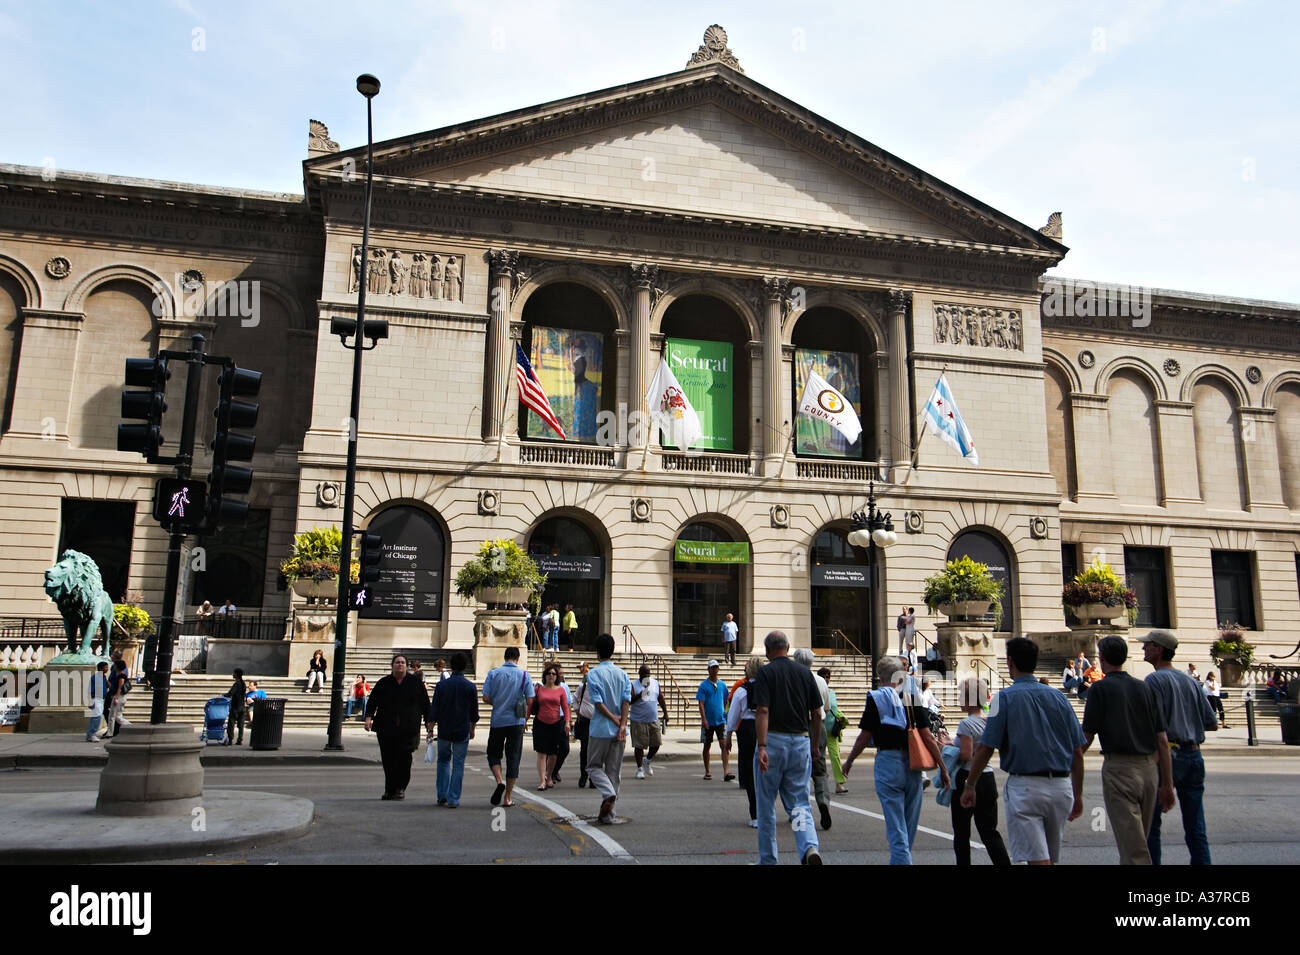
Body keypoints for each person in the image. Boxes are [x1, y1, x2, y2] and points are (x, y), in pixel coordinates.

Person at [962, 637, 1086, 865]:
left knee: (1037, 859)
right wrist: (1077, 793)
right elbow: (1077, 751)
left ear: (1010, 662)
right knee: (1047, 857)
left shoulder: (1004, 698)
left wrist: (970, 785)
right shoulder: (1058, 696)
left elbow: (985, 748)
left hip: (1026, 787)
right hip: (1061, 786)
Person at [842, 655, 949, 865]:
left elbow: (864, 736)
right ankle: (901, 859)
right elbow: (927, 735)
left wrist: (850, 760)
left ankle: (902, 860)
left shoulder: (876, 698)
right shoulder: (912, 697)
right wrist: (943, 768)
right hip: (913, 762)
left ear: (879, 676)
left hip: (888, 761)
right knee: (909, 824)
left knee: (896, 825)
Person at [1081, 635, 1176, 865]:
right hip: (1148, 770)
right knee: (1136, 840)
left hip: (1119, 768)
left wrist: (1068, 762)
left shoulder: (1099, 689)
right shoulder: (1144, 688)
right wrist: (1167, 784)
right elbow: (1162, 739)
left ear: (1101, 657)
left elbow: (1087, 736)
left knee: (1133, 848)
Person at [1140, 629, 1218, 865]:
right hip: (1194, 754)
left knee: (1151, 825)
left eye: (1148, 645)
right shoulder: (1190, 681)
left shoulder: (1154, 680)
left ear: (1159, 649)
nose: (1144, 648)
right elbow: (1211, 722)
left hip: (1167, 756)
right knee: (1196, 826)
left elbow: (1152, 725)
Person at [751, 631, 823, 865]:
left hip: (773, 740)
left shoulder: (765, 673)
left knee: (766, 805)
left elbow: (762, 710)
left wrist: (761, 746)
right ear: (788, 647)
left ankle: (769, 859)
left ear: (768, 650)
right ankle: (809, 846)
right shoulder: (805, 673)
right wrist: (814, 745)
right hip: (800, 741)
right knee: (800, 802)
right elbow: (816, 713)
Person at [950, 676, 1010, 866]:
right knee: (989, 831)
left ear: (969, 700)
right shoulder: (989, 721)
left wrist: (946, 747)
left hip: (967, 776)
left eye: (961, 695)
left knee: (961, 833)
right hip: (988, 776)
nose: (959, 699)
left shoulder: (966, 724)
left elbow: (966, 755)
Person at [366, 655, 433, 800]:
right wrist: (368, 717)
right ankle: (389, 789)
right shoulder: (384, 683)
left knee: (404, 759)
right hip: (386, 727)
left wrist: (429, 722)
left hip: (408, 728)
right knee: (388, 759)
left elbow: (425, 704)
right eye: (397, 662)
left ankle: (400, 787)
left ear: (406, 666)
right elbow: (372, 701)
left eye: (402, 663)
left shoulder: (415, 682)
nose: (400, 665)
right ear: (392, 665)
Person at [584, 633, 631, 824]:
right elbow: (626, 702)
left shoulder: (593, 674)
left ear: (597, 652)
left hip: (600, 729)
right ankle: (609, 814)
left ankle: (608, 794)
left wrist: (613, 718)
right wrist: (622, 724)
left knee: (593, 766)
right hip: (619, 731)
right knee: (614, 772)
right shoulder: (623, 674)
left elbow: (598, 703)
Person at [481, 645, 535, 808]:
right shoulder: (525, 675)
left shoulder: (494, 674)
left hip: (498, 720)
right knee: (513, 757)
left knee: (493, 754)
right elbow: (531, 699)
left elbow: (485, 697)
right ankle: (508, 797)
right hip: (516, 721)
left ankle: (499, 780)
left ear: (504, 658)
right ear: (518, 658)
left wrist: (498, 703)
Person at [427, 653, 479, 808]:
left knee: (443, 761)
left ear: (451, 666)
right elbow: (474, 713)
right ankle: (453, 798)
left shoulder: (442, 686)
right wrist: (472, 729)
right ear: (464, 667)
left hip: (445, 729)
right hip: (461, 729)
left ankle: (442, 794)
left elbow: (434, 709)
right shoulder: (470, 686)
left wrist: (430, 728)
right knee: (458, 763)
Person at [793, 648, 832, 830]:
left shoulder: (792, 681)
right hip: (819, 727)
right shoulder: (821, 681)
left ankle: (799, 812)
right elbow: (825, 708)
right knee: (820, 768)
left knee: (797, 772)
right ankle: (823, 799)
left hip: (799, 726)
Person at [725, 655, 766, 827]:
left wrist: (728, 735)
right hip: (765, 728)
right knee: (765, 771)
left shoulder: (742, 690)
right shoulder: (768, 688)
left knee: (749, 771)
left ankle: (755, 815)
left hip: (747, 729)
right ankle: (766, 812)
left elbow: (733, 715)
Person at [529, 662, 571, 790]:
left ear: (557, 677)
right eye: (549, 673)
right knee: (541, 753)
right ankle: (542, 781)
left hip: (556, 723)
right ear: (545, 676)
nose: (551, 676)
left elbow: (566, 707)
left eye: (553, 674)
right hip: (541, 723)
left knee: (553, 753)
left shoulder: (561, 690)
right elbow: (531, 705)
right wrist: (525, 720)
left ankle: (550, 776)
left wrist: (568, 722)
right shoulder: (539, 689)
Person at [630, 663, 668, 779]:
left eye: (647, 673)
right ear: (639, 674)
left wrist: (665, 713)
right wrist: (641, 694)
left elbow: (660, 698)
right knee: (639, 745)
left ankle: (647, 760)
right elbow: (630, 700)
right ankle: (640, 768)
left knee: (656, 743)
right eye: (643, 674)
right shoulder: (633, 684)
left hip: (653, 719)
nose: (646, 676)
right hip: (638, 720)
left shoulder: (655, 683)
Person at [696, 660, 731, 780]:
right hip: (708, 720)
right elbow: (701, 703)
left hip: (720, 720)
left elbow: (726, 700)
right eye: (712, 668)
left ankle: (726, 771)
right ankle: (707, 771)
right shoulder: (704, 685)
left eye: (716, 668)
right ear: (708, 670)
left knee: (723, 744)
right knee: (707, 745)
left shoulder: (722, 685)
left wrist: (726, 714)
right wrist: (704, 718)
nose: (714, 670)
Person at [818, 666, 849, 794]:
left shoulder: (832, 693)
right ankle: (820, 780)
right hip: (819, 728)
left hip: (832, 729)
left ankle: (839, 783)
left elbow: (834, 708)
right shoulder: (816, 690)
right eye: (824, 676)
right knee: (818, 757)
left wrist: (840, 716)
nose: (826, 679)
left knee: (835, 756)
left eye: (828, 676)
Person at [572, 661, 594, 788]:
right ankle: (584, 775)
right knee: (584, 750)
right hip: (585, 721)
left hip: (597, 722)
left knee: (595, 751)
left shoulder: (601, 688)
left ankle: (593, 778)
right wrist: (578, 712)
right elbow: (574, 699)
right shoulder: (583, 686)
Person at [105, 659, 131, 737]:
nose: (114, 667)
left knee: (112, 716)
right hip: (120, 697)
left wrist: (116, 697)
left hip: (118, 697)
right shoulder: (121, 675)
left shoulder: (121, 676)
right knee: (118, 717)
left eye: (115, 665)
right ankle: (130, 726)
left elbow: (119, 688)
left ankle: (110, 733)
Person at [86, 661, 109, 741]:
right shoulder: (95, 677)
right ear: (100, 668)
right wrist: (90, 701)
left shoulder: (103, 677)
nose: (107, 669)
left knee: (96, 716)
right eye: (105, 667)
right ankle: (92, 733)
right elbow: (90, 689)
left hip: (101, 699)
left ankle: (91, 734)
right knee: (97, 716)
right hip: (96, 698)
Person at [224, 667, 247, 746]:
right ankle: (240, 740)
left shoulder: (236, 684)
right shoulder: (243, 683)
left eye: (234, 673)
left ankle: (230, 740)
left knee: (231, 723)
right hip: (242, 707)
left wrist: (223, 695)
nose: (232, 674)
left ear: (236, 674)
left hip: (235, 707)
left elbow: (230, 693)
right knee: (241, 725)